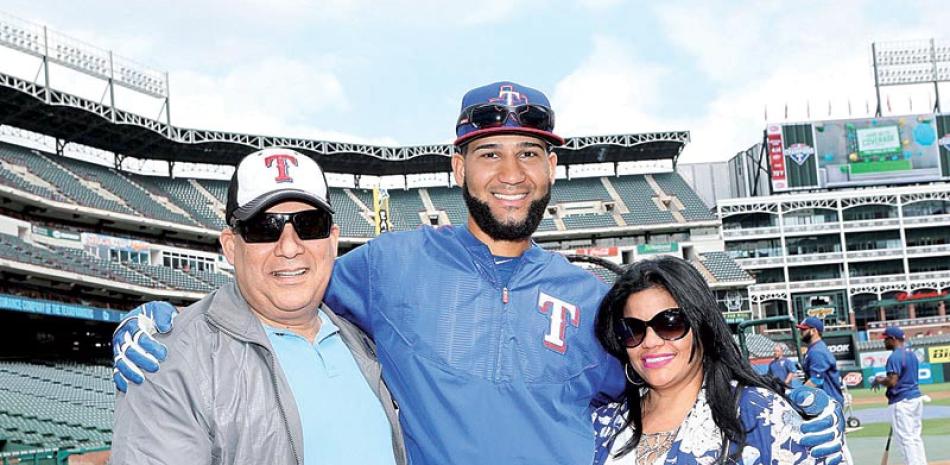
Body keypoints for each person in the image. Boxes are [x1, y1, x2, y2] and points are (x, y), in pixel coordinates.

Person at [111, 82, 842, 465]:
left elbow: (671, 378)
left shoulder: (596, 299)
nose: (510, 173)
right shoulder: (389, 265)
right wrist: (159, 321)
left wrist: (795, 412)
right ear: (457, 167)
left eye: (530, 153)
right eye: (490, 153)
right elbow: (279, 280)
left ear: (552, 169)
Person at [111, 149, 405, 465]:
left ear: (332, 241)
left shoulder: (366, 340)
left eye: (309, 225)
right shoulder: (166, 360)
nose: (289, 247)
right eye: (265, 228)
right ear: (230, 246)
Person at [592, 257, 841, 465]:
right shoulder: (600, 422)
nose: (650, 342)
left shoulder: (762, 414)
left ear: (703, 327)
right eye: (632, 329)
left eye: (669, 323)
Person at [798, 316, 853, 465]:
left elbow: (816, 380)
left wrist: (795, 395)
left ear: (814, 331)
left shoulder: (817, 351)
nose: (801, 332)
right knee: (830, 446)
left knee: (836, 445)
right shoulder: (813, 349)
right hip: (825, 402)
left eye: (804, 329)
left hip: (829, 403)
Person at [873, 326, 928, 465]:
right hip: (915, 398)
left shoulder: (894, 357)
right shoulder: (912, 354)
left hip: (901, 401)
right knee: (915, 437)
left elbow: (892, 381)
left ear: (893, 339)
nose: (884, 342)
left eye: (886, 339)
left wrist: (879, 380)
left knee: (905, 440)